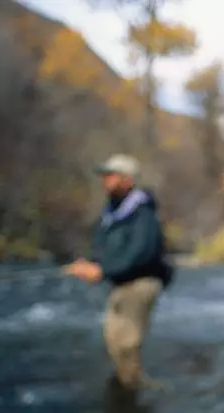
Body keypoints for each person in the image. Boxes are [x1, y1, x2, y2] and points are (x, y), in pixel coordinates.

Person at [64, 154, 173, 390]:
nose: (105, 181)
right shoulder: (113, 211)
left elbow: (141, 253)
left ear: (127, 179)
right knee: (112, 338)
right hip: (121, 282)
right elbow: (105, 248)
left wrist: (101, 271)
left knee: (127, 341)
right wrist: (89, 264)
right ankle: (128, 385)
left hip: (142, 283)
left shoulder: (143, 213)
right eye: (105, 176)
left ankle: (135, 389)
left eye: (110, 176)